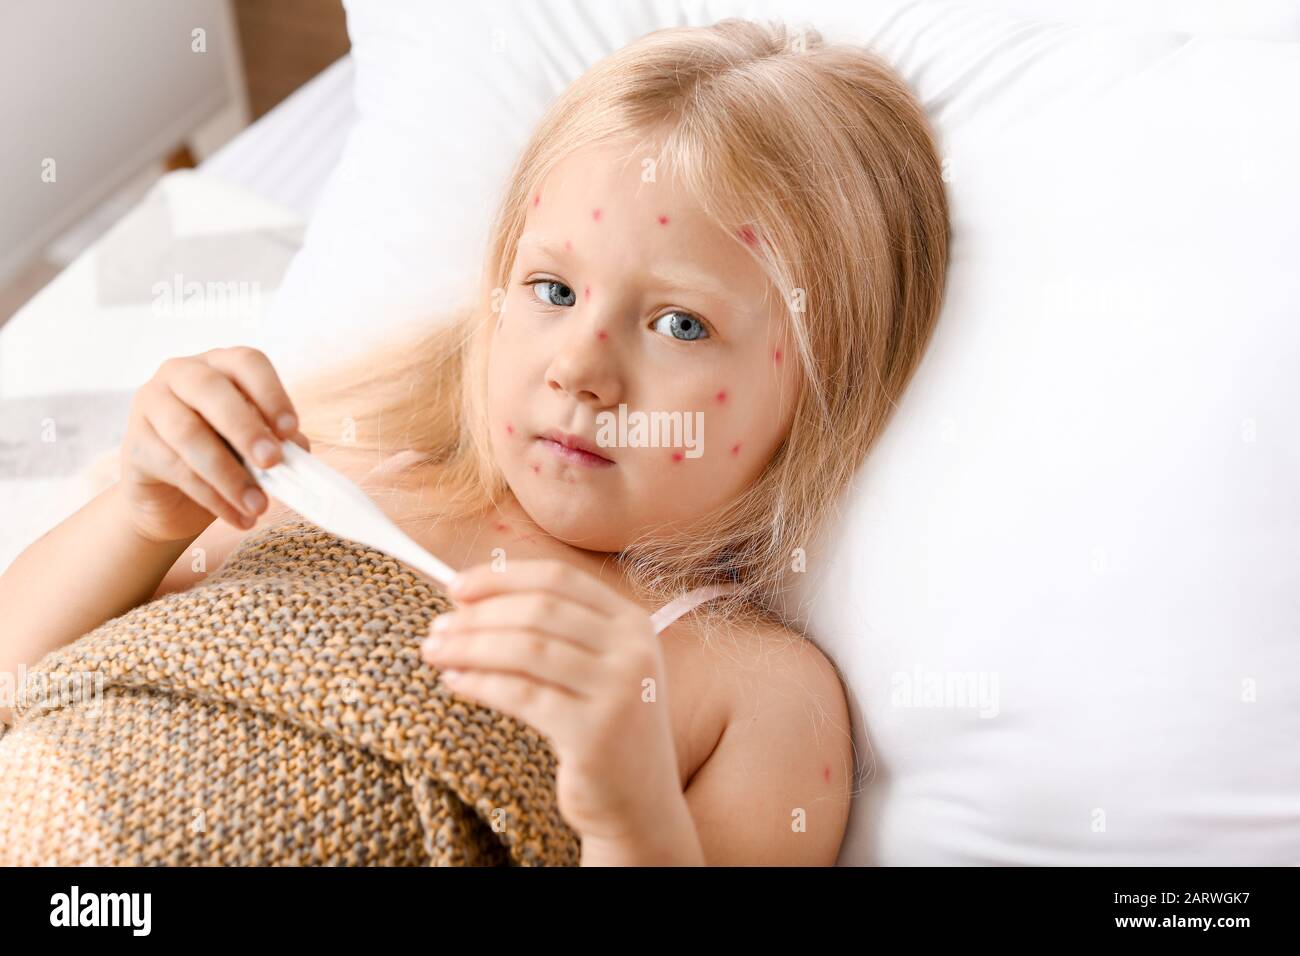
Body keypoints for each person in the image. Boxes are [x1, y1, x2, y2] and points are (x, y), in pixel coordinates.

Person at [0, 18, 949, 865]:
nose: (581, 368)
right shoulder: (325, 472)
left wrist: (628, 813)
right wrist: (141, 515)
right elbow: (16, 673)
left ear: (820, 384)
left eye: (681, 325)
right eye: (553, 291)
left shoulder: (754, 688)